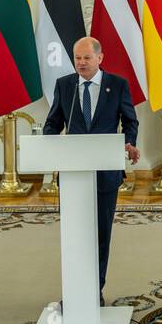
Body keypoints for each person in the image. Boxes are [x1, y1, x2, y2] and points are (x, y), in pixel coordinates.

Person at [42, 36, 139, 305]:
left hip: (105, 174)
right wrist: (49, 145)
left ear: (100, 58)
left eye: (86, 58)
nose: (81, 63)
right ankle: (74, 290)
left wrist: (130, 143)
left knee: (100, 234)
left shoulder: (117, 85)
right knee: (74, 234)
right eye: (77, 58)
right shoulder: (65, 86)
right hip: (73, 175)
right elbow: (53, 124)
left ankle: (95, 288)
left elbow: (130, 122)